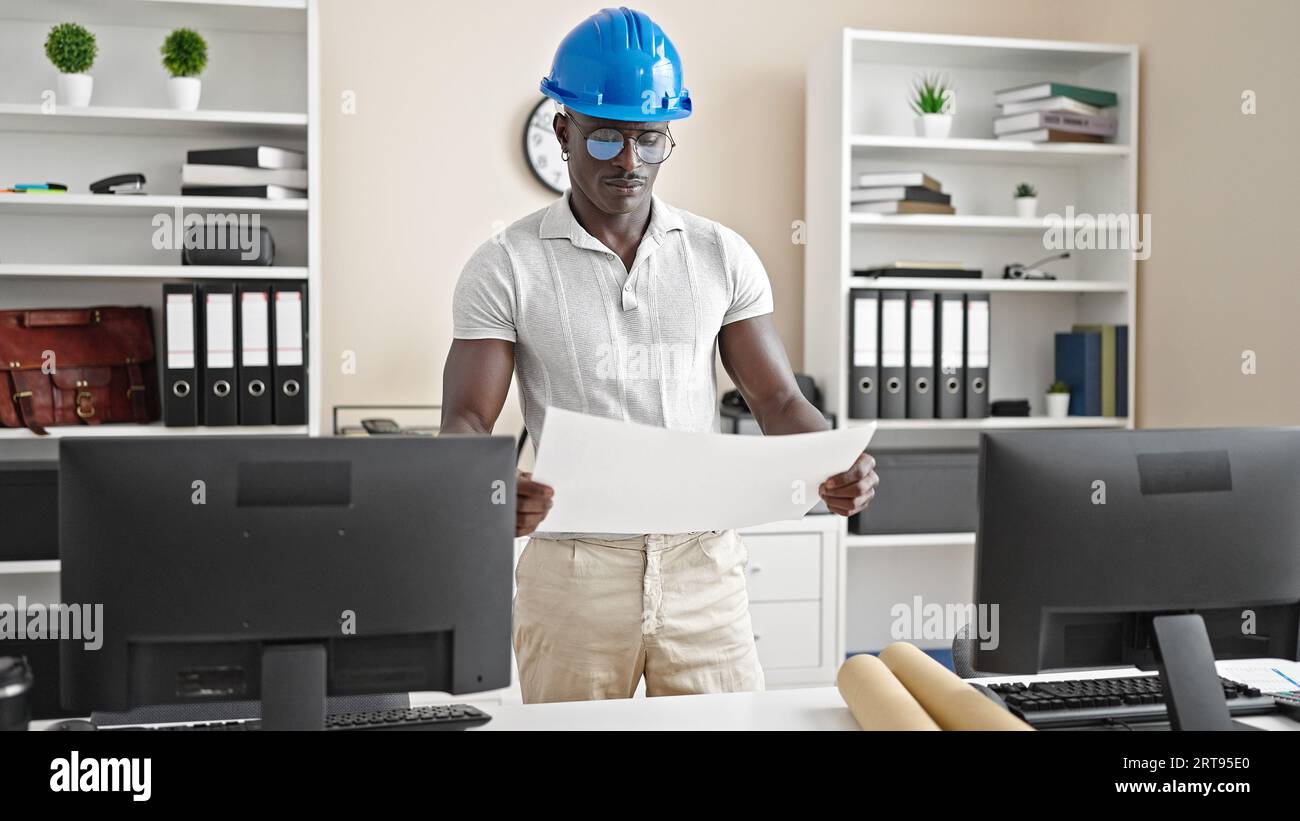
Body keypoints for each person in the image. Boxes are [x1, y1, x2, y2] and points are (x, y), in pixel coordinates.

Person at [441, 7, 878, 703]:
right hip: (572, 571)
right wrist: (486, 487)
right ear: (564, 130)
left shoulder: (720, 254)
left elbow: (776, 399)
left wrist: (827, 462)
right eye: (607, 136)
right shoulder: (504, 265)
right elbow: (465, 417)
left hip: (703, 566)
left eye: (649, 139)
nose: (628, 162)